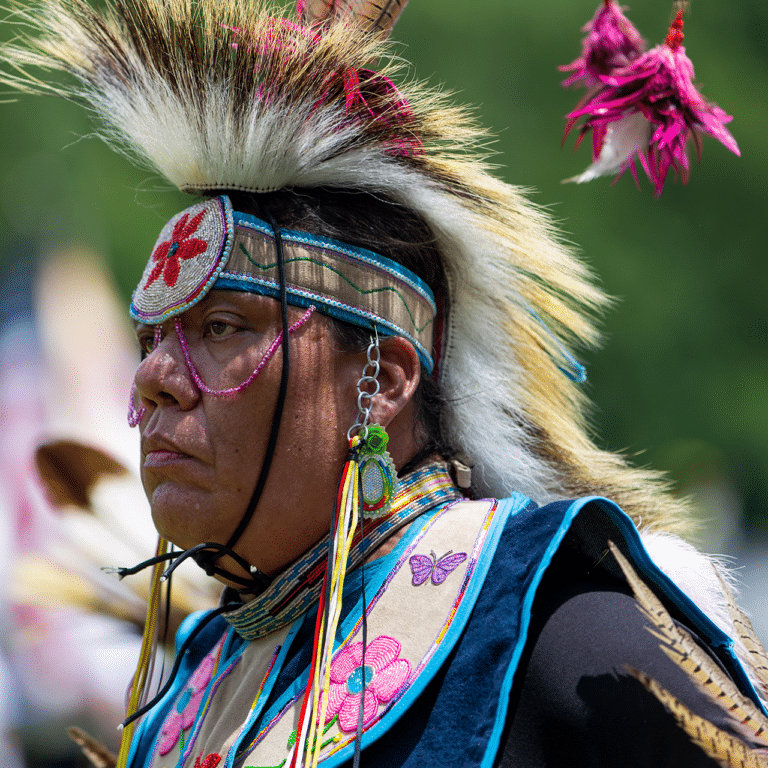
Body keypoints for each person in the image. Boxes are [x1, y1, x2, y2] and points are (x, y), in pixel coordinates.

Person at [2, 1, 767, 767]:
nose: (153, 379)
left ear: (382, 382)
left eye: (223, 328)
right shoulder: (193, 686)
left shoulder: (558, 624)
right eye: (151, 340)